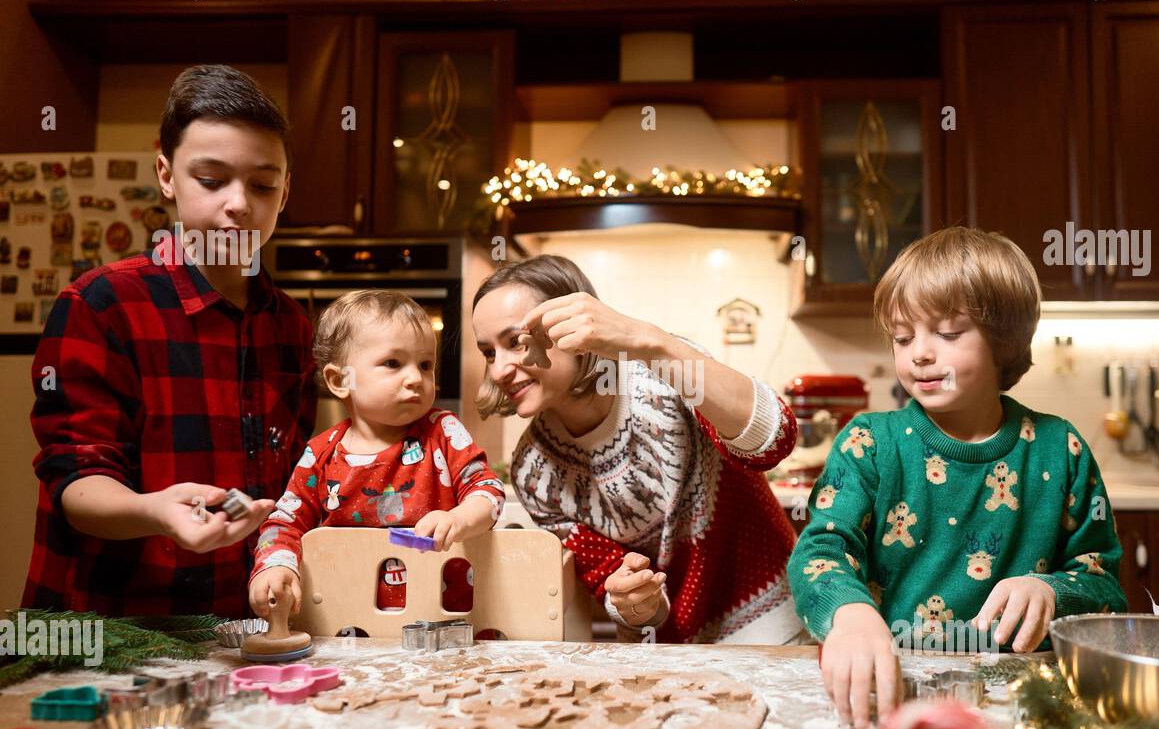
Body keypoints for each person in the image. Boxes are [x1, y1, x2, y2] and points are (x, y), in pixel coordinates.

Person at [788, 226, 1126, 729]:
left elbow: (1104, 586)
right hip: (893, 689)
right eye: (903, 338)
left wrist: (1053, 591)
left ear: (1003, 343)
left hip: (1022, 701)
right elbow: (822, 551)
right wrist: (849, 615)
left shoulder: (1063, 448)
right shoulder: (871, 443)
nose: (920, 353)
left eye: (947, 334)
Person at [24, 64, 315, 616]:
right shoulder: (101, 304)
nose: (238, 203)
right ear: (166, 175)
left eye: (262, 184)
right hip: (111, 627)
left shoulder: (291, 326)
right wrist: (155, 510)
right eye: (211, 179)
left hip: (241, 622)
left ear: (284, 191)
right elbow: (76, 479)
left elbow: (294, 483)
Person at [471, 254, 806, 644]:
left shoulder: (662, 370)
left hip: (775, 626)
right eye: (489, 352)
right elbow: (615, 585)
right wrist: (636, 602)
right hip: (671, 652)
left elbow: (773, 441)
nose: (498, 370)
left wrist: (648, 340)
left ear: (574, 329)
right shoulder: (533, 471)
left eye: (515, 342)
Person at [248, 290, 504, 618]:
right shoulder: (320, 454)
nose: (416, 378)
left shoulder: (443, 432)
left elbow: (488, 492)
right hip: (346, 623)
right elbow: (284, 522)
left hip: (442, 617)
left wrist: (460, 518)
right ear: (340, 380)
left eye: (425, 365)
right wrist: (274, 567)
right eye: (393, 363)